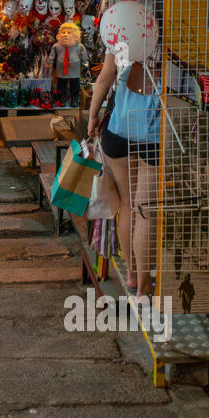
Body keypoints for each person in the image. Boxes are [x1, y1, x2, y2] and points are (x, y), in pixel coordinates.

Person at [86, 51, 157, 297]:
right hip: (154, 131)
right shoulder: (177, 29)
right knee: (145, 209)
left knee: (127, 205)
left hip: (119, 127)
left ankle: (132, 275)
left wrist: (93, 115)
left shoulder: (121, 28)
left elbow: (106, 76)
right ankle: (145, 287)